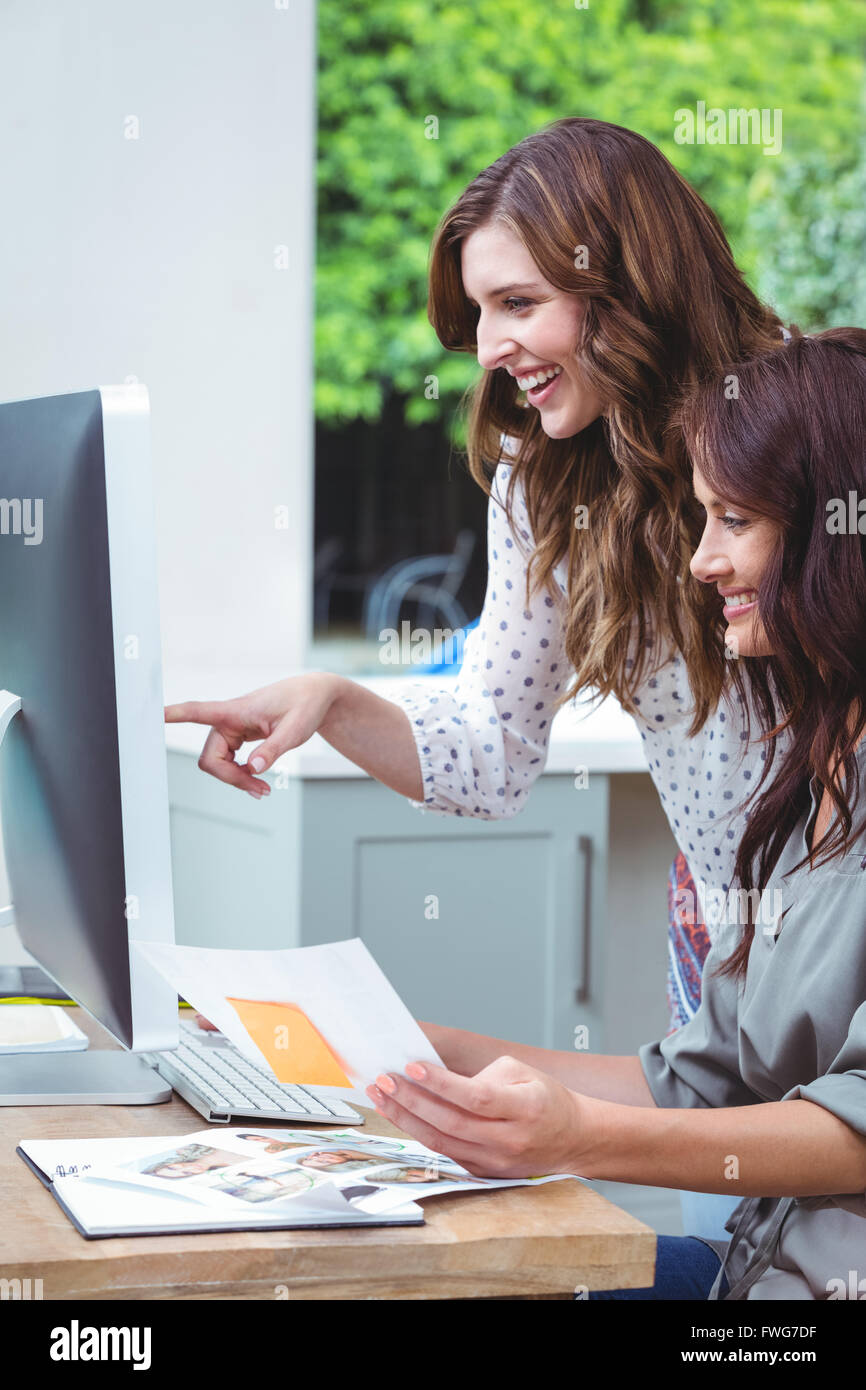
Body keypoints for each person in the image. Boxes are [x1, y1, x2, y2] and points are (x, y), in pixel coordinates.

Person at [165, 117, 792, 1242]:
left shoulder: (794, 435)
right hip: (730, 947)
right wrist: (334, 701)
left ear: (625, 280)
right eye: (478, 317)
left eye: (517, 303)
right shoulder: (540, 479)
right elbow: (490, 754)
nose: (489, 348)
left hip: (824, 919)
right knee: (768, 1240)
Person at [366, 330, 866, 1299]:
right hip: (755, 1276)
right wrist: (415, 1056)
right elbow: (693, 1076)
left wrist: (577, 1138)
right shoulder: (805, 781)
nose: (698, 561)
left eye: (731, 521)